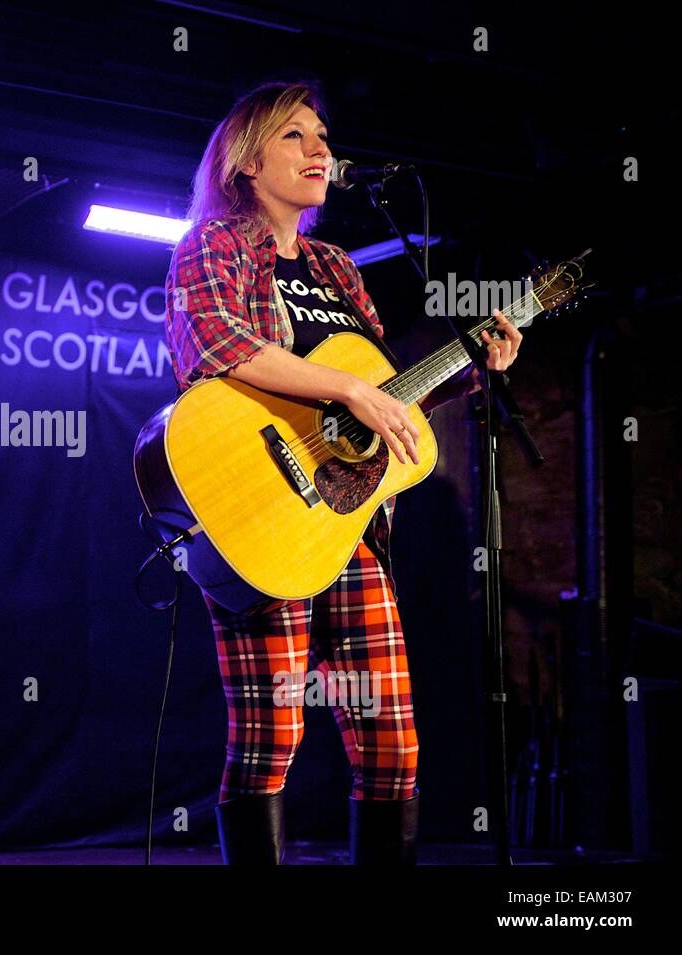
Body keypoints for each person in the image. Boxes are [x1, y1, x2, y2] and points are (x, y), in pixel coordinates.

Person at [165, 81, 522, 864]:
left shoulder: (336, 266)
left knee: (394, 741)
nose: (322, 150)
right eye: (297, 136)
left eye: (324, 135)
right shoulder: (213, 245)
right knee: (271, 737)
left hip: (351, 526)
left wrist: (471, 367)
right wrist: (349, 386)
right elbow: (217, 347)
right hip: (264, 516)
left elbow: (378, 397)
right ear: (245, 160)